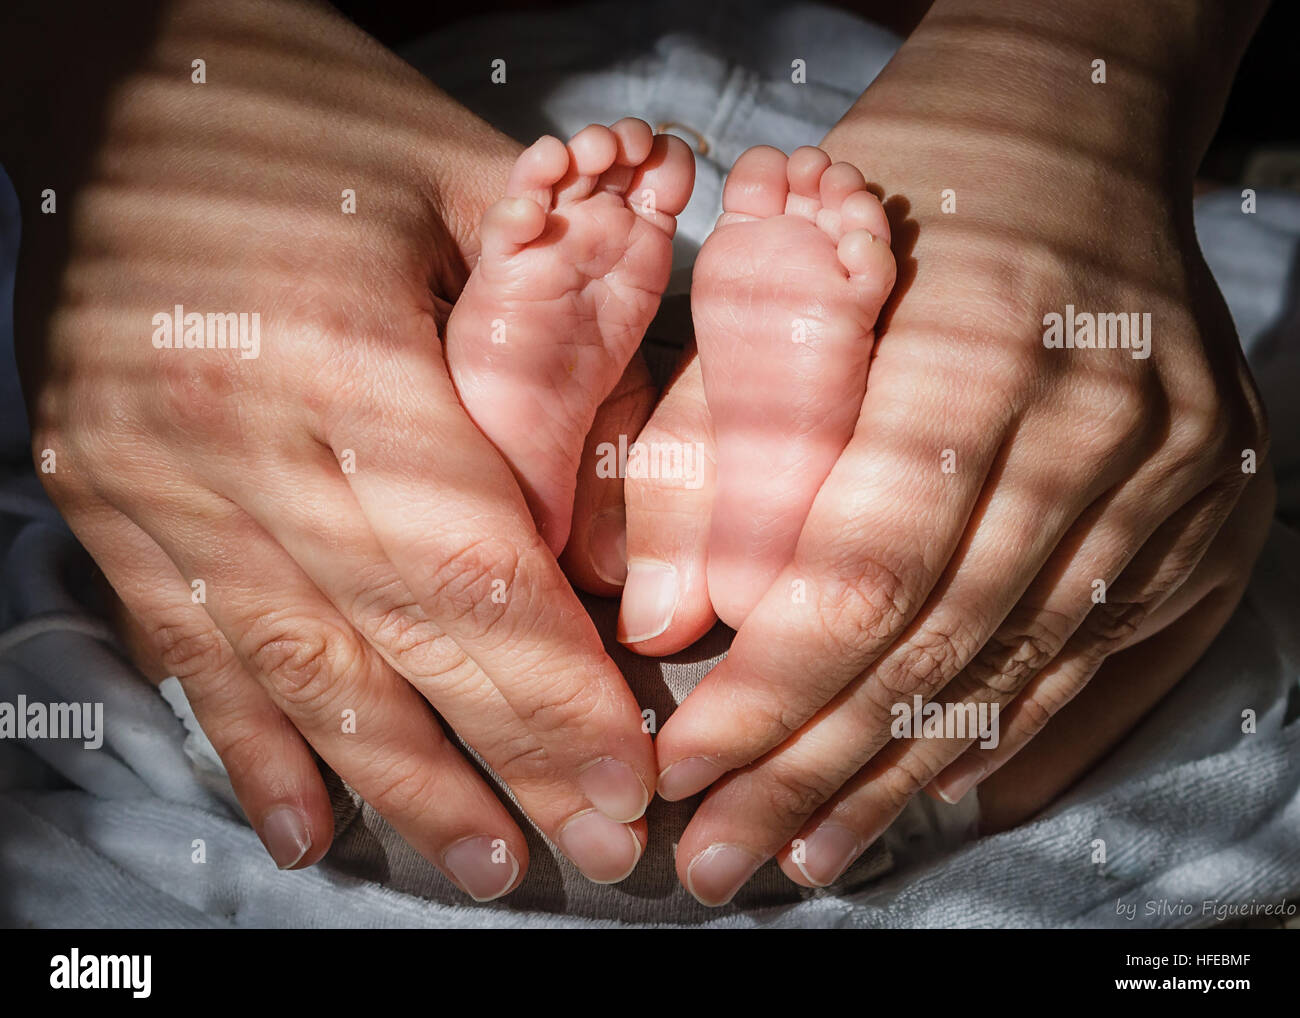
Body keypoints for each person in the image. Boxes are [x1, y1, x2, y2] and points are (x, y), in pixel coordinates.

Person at [0, 0, 1273, 908]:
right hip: (948, 189)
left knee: (232, 579)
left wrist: (115, 66)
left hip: (310, 159)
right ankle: (741, 509)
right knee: (1021, 630)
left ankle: (615, 482)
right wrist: (1076, 58)